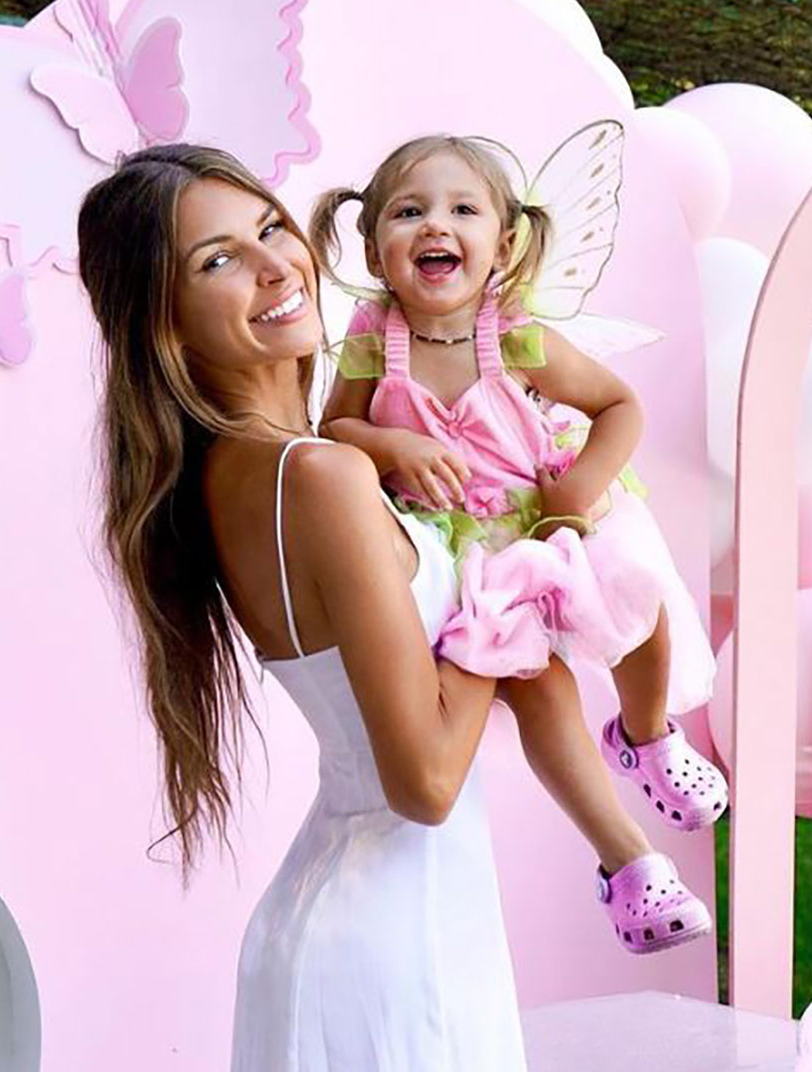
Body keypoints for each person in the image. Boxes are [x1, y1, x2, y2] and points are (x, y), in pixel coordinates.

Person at [77, 144, 527, 1071]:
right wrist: (502, 567)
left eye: (271, 227)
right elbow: (428, 783)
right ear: (161, 321)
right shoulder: (316, 476)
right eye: (218, 260)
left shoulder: (254, 470)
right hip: (397, 954)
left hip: (357, 927)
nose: (277, 265)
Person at [311, 133, 726, 954]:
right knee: (538, 689)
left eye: (463, 209)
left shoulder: (516, 334)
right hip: (470, 556)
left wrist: (576, 493)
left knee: (638, 592)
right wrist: (391, 448)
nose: (436, 225)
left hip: (551, 516)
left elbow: (619, 407)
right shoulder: (371, 335)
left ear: (502, 243)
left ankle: (645, 736)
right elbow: (336, 428)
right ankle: (629, 867)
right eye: (409, 211)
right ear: (374, 245)